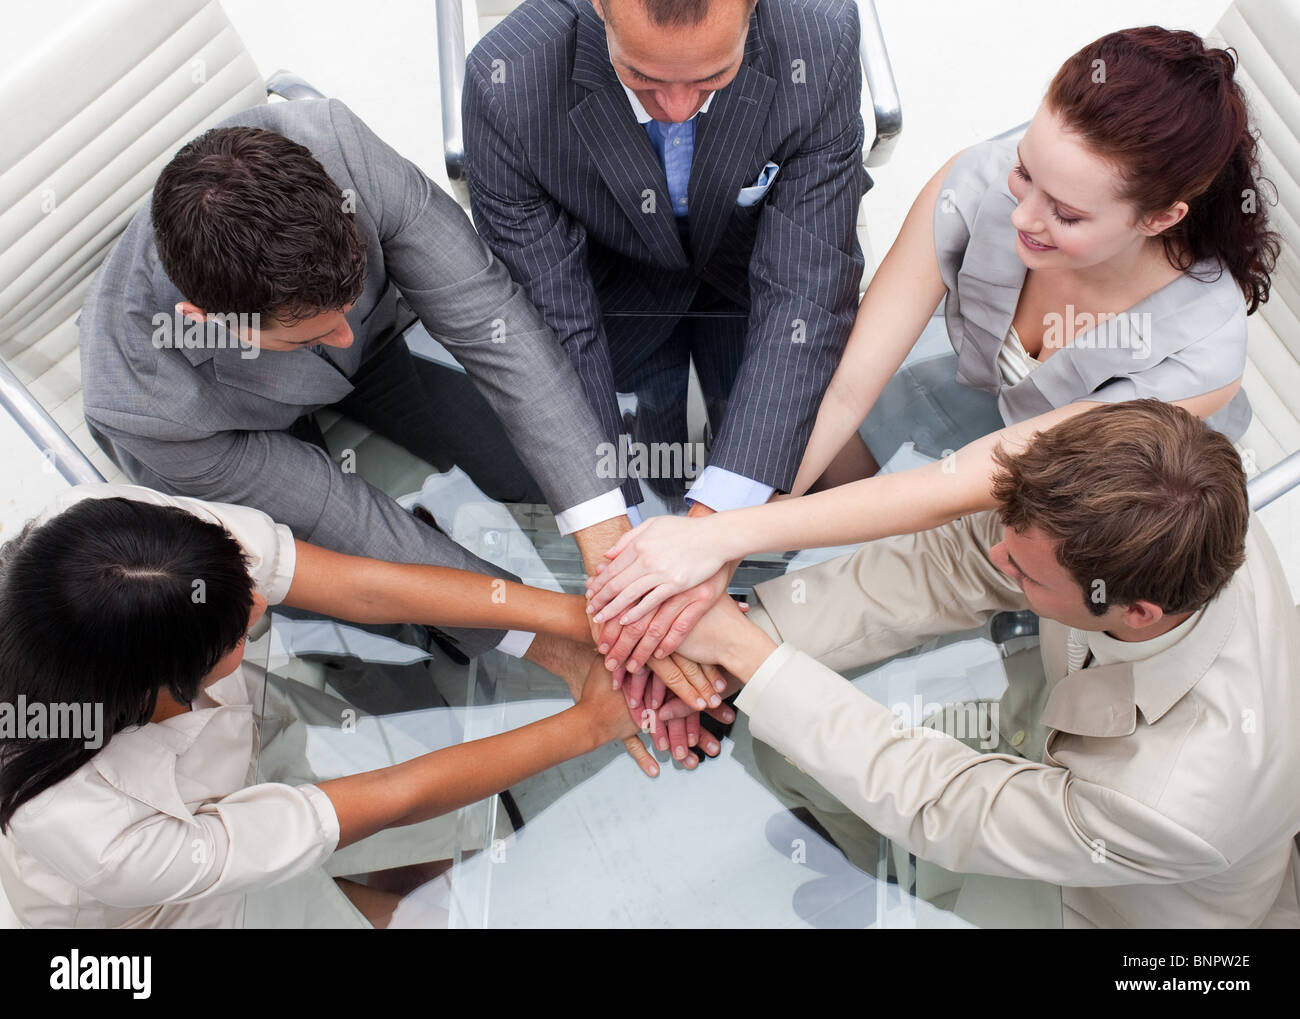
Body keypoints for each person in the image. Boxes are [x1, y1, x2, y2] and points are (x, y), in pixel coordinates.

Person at [585, 25, 1280, 658]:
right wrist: (724, 542)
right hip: (987, 409)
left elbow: (973, 479)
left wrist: (718, 540)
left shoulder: (1199, 354)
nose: (1023, 215)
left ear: (1161, 217)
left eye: (1065, 213)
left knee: (872, 607)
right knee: (793, 462)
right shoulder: (979, 180)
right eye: (1026, 171)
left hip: (1103, 505)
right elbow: (848, 383)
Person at [667, 401, 1300, 927]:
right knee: (799, 750)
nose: (997, 560)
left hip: (1108, 905)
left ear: (1136, 612)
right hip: (1046, 742)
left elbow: (942, 804)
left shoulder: (1176, 802)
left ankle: (896, 883)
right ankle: (878, 869)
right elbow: (956, 558)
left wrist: (740, 652)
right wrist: (747, 634)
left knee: (856, 776)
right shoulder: (1184, 500)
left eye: (1024, 574)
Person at [0, 484, 733, 928]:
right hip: (175, 906)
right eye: (239, 624)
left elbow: (369, 587)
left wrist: (589, 617)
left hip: (256, 740)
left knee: (426, 853)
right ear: (165, 690)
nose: (260, 600)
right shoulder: (99, 834)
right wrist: (589, 723)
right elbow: (387, 795)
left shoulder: (118, 544)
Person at [78, 97, 645, 668]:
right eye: (310, 334)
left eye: (345, 305)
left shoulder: (339, 150)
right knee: (372, 638)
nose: (342, 335)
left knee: (538, 474)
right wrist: (547, 643)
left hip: (384, 345)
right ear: (211, 322)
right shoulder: (146, 409)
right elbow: (339, 515)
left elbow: (489, 322)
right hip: (229, 428)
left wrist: (611, 548)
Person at [463, 0, 870, 653]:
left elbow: (804, 289)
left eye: (711, 79)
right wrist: (629, 569)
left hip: (760, 285)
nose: (677, 108)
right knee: (653, 463)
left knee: (783, 460)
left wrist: (714, 532)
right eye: (643, 79)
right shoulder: (507, 79)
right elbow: (556, 319)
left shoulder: (819, 34)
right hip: (612, 302)